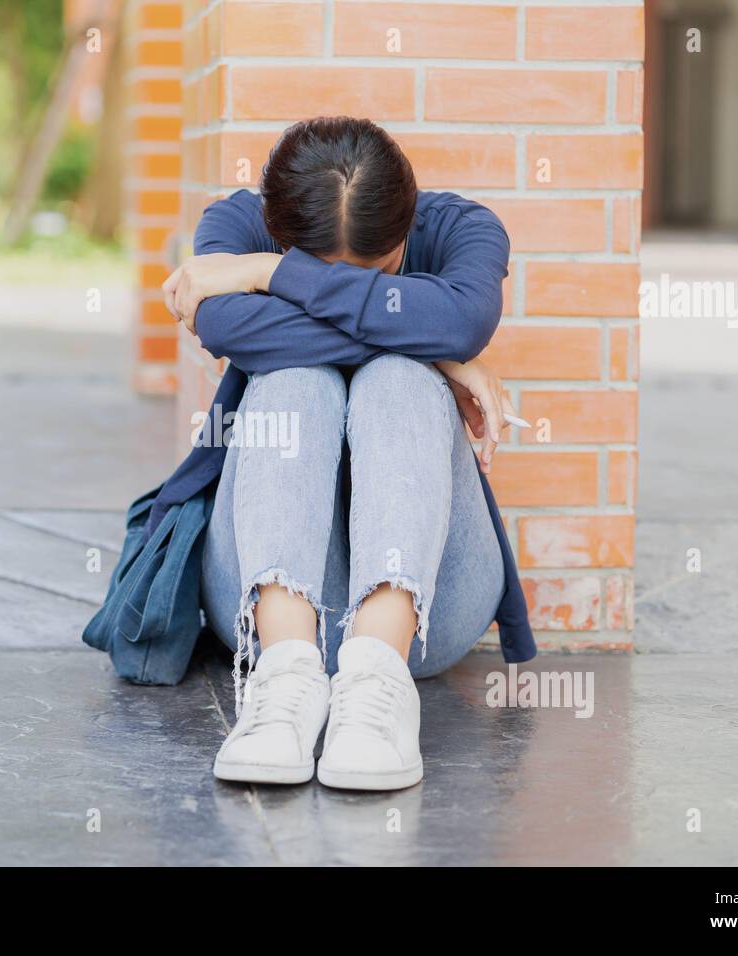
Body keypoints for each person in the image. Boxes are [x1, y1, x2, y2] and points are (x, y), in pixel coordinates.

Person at [159, 116, 536, 791]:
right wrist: (438, 348)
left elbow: (463, 319)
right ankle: (283, 689)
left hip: (430, 610)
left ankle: (375, 691)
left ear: (406, 223)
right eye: (306, 265)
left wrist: (271, 275)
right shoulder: (235, 224)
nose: (349, 291)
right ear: (276, 228)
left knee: (400, 380)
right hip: (257, 606)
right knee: (296, 380)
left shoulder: (462, 230)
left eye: (380, 272)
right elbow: (224, 326)